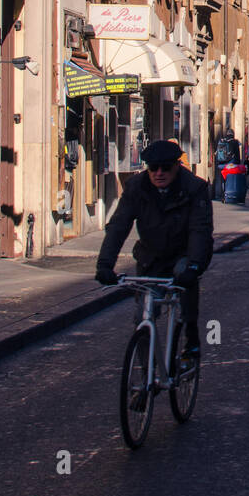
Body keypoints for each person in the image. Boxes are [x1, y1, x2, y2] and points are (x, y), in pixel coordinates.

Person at [95, 139, 213, 358]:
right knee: (142, 316)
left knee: (185, 282)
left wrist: (195, 265)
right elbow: (119, 226)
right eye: (153, 168)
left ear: (177, 166)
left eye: (165, 168)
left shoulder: (194, 188)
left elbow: (200, 230)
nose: (159, 173)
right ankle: (144, 376)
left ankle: (191, 336)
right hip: (151, 257)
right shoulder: (136, 188)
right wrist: (104, 265)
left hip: (184, 252)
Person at [212, 131, 241, 201]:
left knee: (223, 179)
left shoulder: (222, 141)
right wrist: (238, 164)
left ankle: (223, 193)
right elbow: (237, 154)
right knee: (230, 179)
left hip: (222, 163)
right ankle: (229, 193)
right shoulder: (235, 142)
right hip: (231, 163)